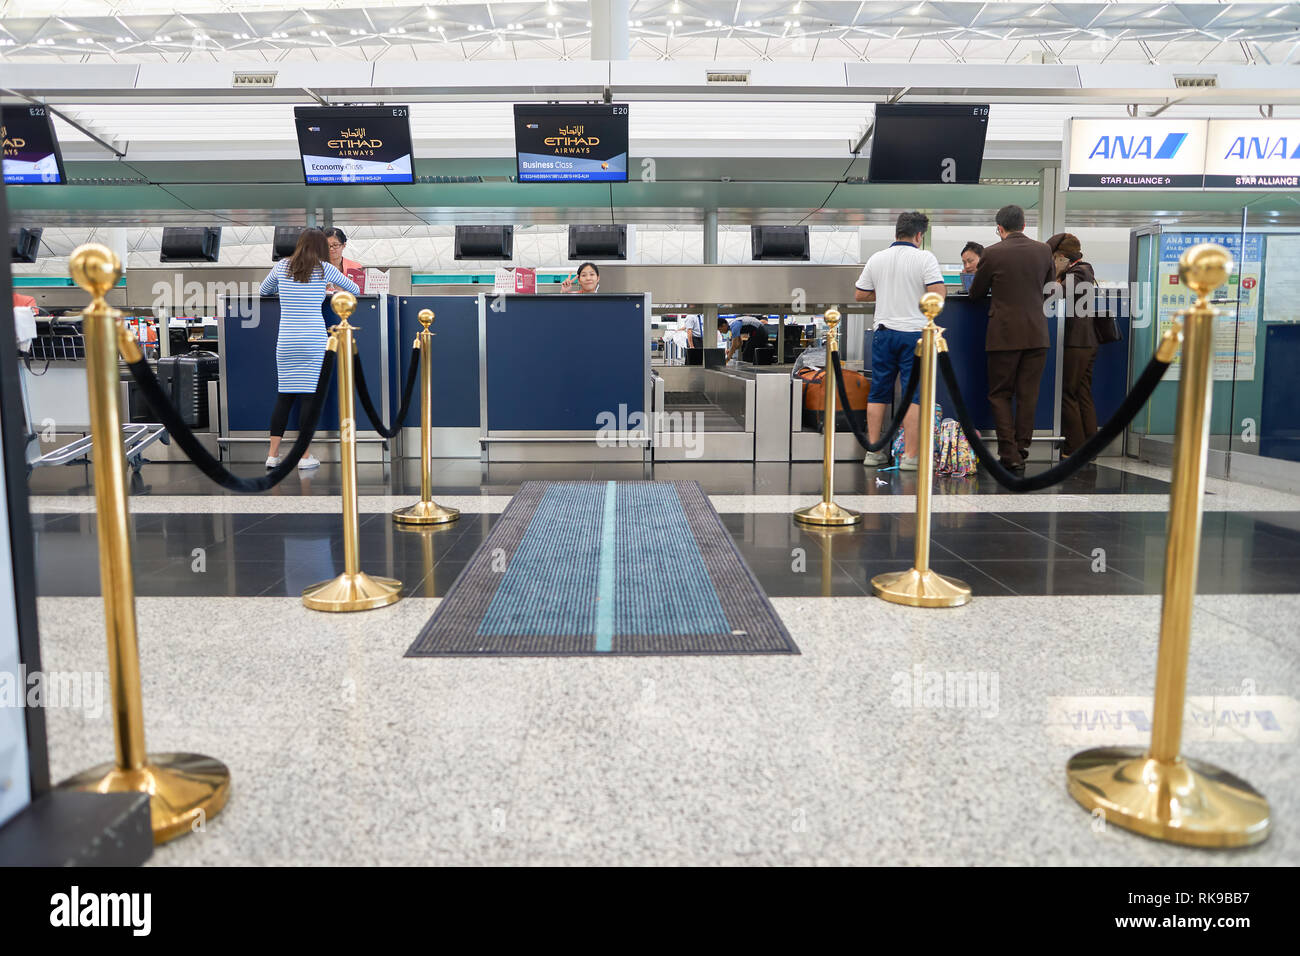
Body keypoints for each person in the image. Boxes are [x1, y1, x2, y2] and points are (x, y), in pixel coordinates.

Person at [260, 227, 360, 471]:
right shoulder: (324, 269)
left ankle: (273, 455)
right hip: (313, 340)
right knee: (308, 398)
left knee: (284, 397)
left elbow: (264, 291)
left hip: (286, 340)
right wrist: (331, 290)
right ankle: (304, 456)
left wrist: (285, 289)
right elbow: (356, 290)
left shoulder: (282, 266)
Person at [854, 211, 946, 471]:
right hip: (915, 335)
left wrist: (883, 294)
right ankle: (910, 456)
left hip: (883, 333)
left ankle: (873, 452)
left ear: (896, 232)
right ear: (919, 235)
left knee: (879, 391)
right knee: (913, 395)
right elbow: (938, 294)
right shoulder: (924, 257)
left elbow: (859, 294)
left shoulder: (877, 258)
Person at [968, 204, 1056, 473]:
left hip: (1004, 334)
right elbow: (1050, 290)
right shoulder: (1044, 251)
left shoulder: (992, 253)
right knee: (1028, 394)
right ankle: (1023, 448)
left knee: (1000, 394)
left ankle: (1009, 452)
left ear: (1000, 229)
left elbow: (976, 294)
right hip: (1037, 333)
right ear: (1024, 225)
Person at [1047, 232, 1099, 458]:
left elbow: (1056, 293)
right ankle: (1089, 447)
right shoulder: (1082, 270)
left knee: (1069, 393)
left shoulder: (1079, 271)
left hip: (1077, 342)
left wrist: (1057, 276)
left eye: (1054, 258)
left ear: (1061, 256)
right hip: (1084, 341)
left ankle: (1074, 448)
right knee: (1081, 393)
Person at [324, 227, 362, 293]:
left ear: (344, 245)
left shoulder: (355, 267)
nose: (331, 249)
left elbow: (360, 292)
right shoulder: (317, 268)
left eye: (335, 245)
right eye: (326, 245)